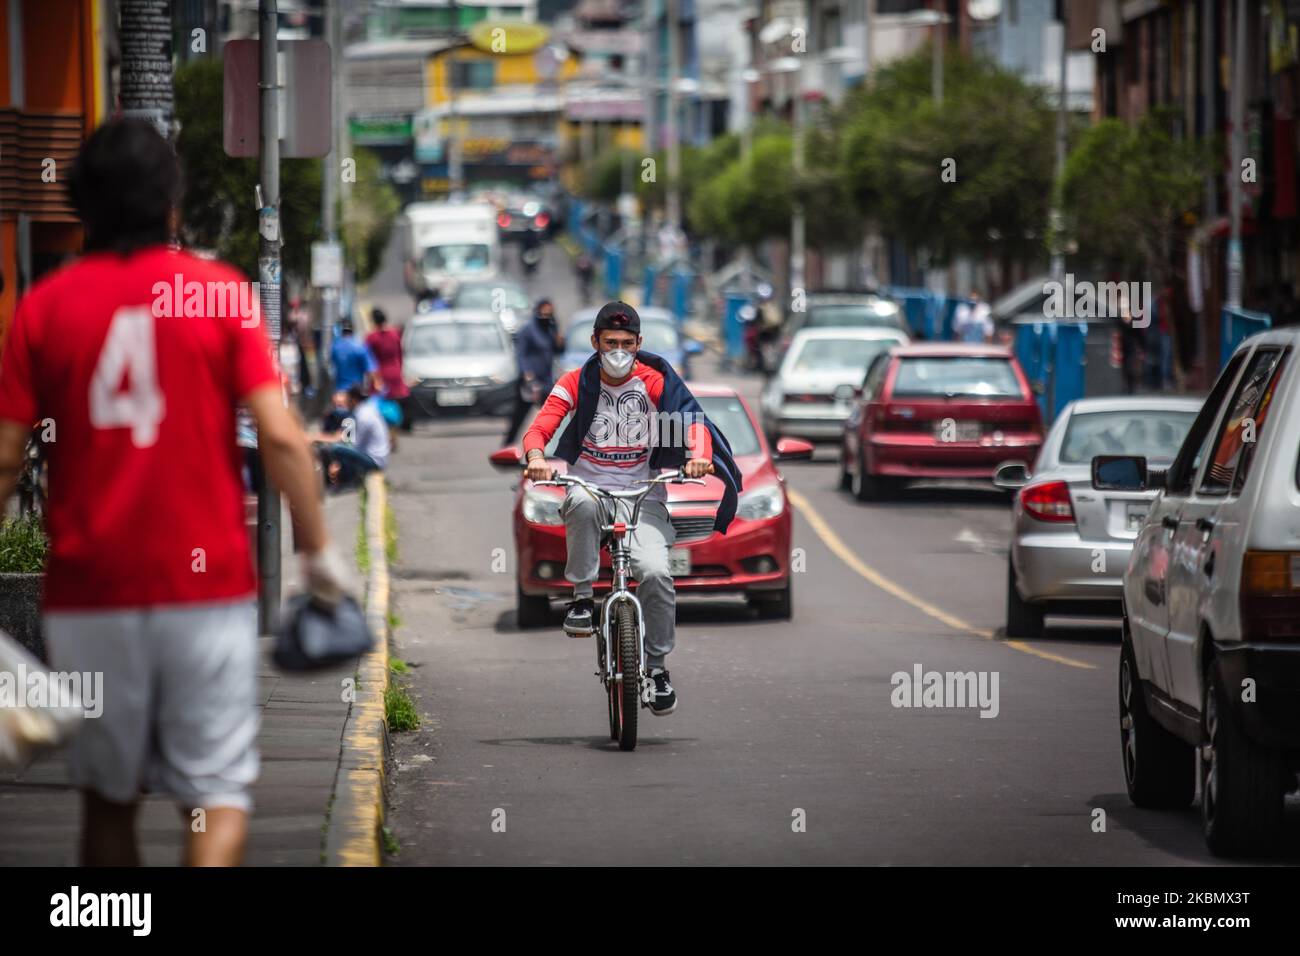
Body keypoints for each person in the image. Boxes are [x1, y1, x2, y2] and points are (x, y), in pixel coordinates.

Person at [0, 118, 351, 867]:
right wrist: (318, 555)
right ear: (170, 206)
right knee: (216, 796)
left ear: (80, 207)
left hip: (89, 598)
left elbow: (4, 460)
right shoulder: (220, 297)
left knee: (107, 799)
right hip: (205, 593)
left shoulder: (45, 309)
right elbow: (283, 439)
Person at [521, 302, 742, 715]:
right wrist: (535, 456)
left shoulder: (654, 382)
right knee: (581, 502)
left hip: (645, 496)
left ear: (639, 344)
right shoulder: (576, 381)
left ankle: (657, 669)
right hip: (592, 490)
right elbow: (542, 425)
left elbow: (691, 420)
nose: (618, 352)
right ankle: (583, 599)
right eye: (610, 344)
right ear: (595, 343)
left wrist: (698, 456)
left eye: (626, 343)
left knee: (657, 572)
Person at [503, 298, 563, 445]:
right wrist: (526, 372)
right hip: (530, 381)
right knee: (520, 415)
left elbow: (558, 350)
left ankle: (552, 446)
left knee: (554, 414)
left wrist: (557, 335)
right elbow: (520, 353)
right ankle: (507, 445)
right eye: (543, 312)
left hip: (546, 381)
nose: (546, 316)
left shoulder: (549, 329)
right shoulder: (527, 330)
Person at [310, 386, 391, 491]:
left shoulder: (362, 415)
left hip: (374, 462)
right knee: (339, 448)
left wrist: (337, 463)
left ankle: (347, 481)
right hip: (376, 458)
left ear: (354, 400)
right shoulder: (366, 410)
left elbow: (351, 443)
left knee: (336, 449)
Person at [364, 308, 412, 433]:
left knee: (380, 406)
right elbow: (400, 354)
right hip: (395, 372)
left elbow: (368, 360)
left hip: (380, 374)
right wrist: (400, 370)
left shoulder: (371, 337)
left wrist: (370, 377)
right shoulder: (395, 334)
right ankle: (394, 430)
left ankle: (384, 431)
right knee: (393, 405)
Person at [330, 318, 377, 393]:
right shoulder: (361, 347)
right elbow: (371, 371)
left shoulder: (335, 346)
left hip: (340, 392)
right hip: (356, 393)